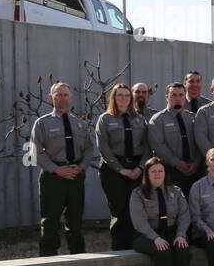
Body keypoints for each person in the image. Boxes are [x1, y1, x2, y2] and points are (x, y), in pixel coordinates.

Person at [32, 81, 97, 256]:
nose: (62, 98)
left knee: (75, 221)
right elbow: (35, 151)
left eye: (65, 94)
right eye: (58, 94)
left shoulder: (81, 123)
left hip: (76, 176)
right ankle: (48, 258)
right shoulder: (42, 123)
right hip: (53, 177)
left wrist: (81, 168)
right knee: (50, 221)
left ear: (71, 97)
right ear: (50, 97)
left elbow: (90, 148)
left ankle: (77, 256)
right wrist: (56, 169)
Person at [129, 157, 191, 266]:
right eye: (153, 171)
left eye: (160, 171)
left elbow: (184, 215)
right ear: (147, 174)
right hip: (146, 235)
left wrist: (181, 234)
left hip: (172, 232)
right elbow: (139, 222)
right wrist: (155, 238)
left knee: (182, 251)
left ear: (165, 173)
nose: (157, 174)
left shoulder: (175, 191)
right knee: (163, 253)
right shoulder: (138, 193)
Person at [96, 82, 150, 250]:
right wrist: (121, 169)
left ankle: (136, 245)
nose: (124, 98)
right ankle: (119, 248)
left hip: (136, 168)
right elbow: (103, 147)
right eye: (120, 95)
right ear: (113, 97)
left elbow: (148, 146)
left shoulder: (140, 119)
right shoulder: (105, 119)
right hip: (113, 169)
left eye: (127, 95)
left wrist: (140, 168)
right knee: (118, 210)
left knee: (135, 209)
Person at [149, 82, 201, 192]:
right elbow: (158, 146)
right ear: (166, 97)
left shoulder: (193, 118)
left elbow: (200, 142)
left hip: (194, 170)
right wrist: (176, 163)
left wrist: (196, 163)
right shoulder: (157, 120)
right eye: (173, 95)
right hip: (170, 172)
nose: (178, 98)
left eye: (181, 95)